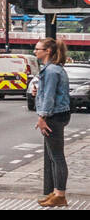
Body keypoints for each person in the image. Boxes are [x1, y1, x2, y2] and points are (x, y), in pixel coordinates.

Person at [34, 38, 71, 207]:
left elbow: (49, 97)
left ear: (47, 51)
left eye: (37, 48)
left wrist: (42, 117)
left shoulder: (50, 71)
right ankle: (56, 192)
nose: (35, 51)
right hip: (58, 114)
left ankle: (60, 195)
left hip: (53, 116)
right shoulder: (54, 69)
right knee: (54, 157)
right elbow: (50, 93)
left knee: (57, 157)